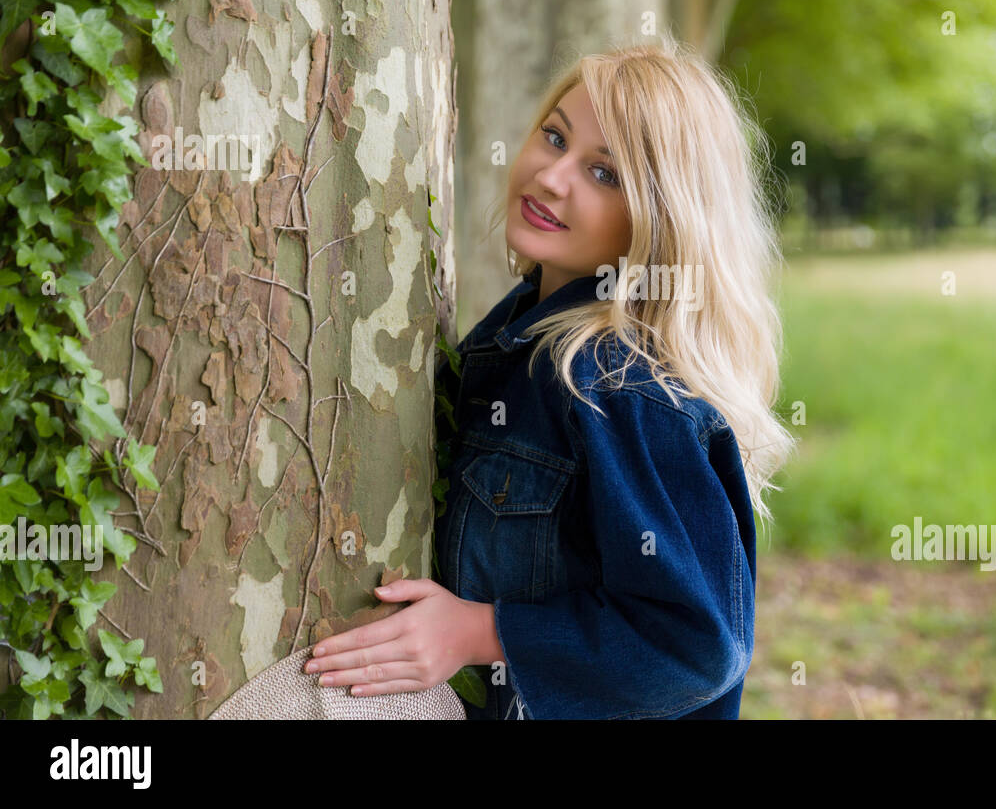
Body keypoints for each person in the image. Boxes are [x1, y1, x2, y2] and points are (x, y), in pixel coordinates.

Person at [304, 36, 796, 718]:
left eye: (605, 174)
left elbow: (695, 645)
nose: (552, 177)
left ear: (661, 218)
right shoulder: (520, 333)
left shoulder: (618, 383)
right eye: (554, 137)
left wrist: (477, 633)